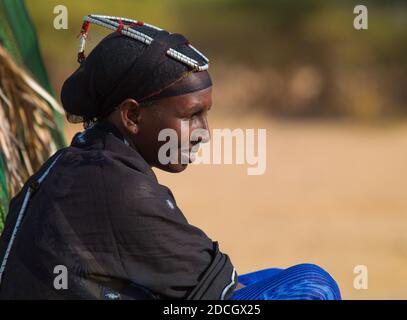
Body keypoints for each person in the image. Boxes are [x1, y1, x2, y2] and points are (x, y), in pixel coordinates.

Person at [0, 15, 341, 300]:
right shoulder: (117, 188)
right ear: (132, 116)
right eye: (192, 115)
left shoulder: (81, 161)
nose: (203, 132)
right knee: (313, 286)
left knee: (274, 277)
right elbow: (222, 293)